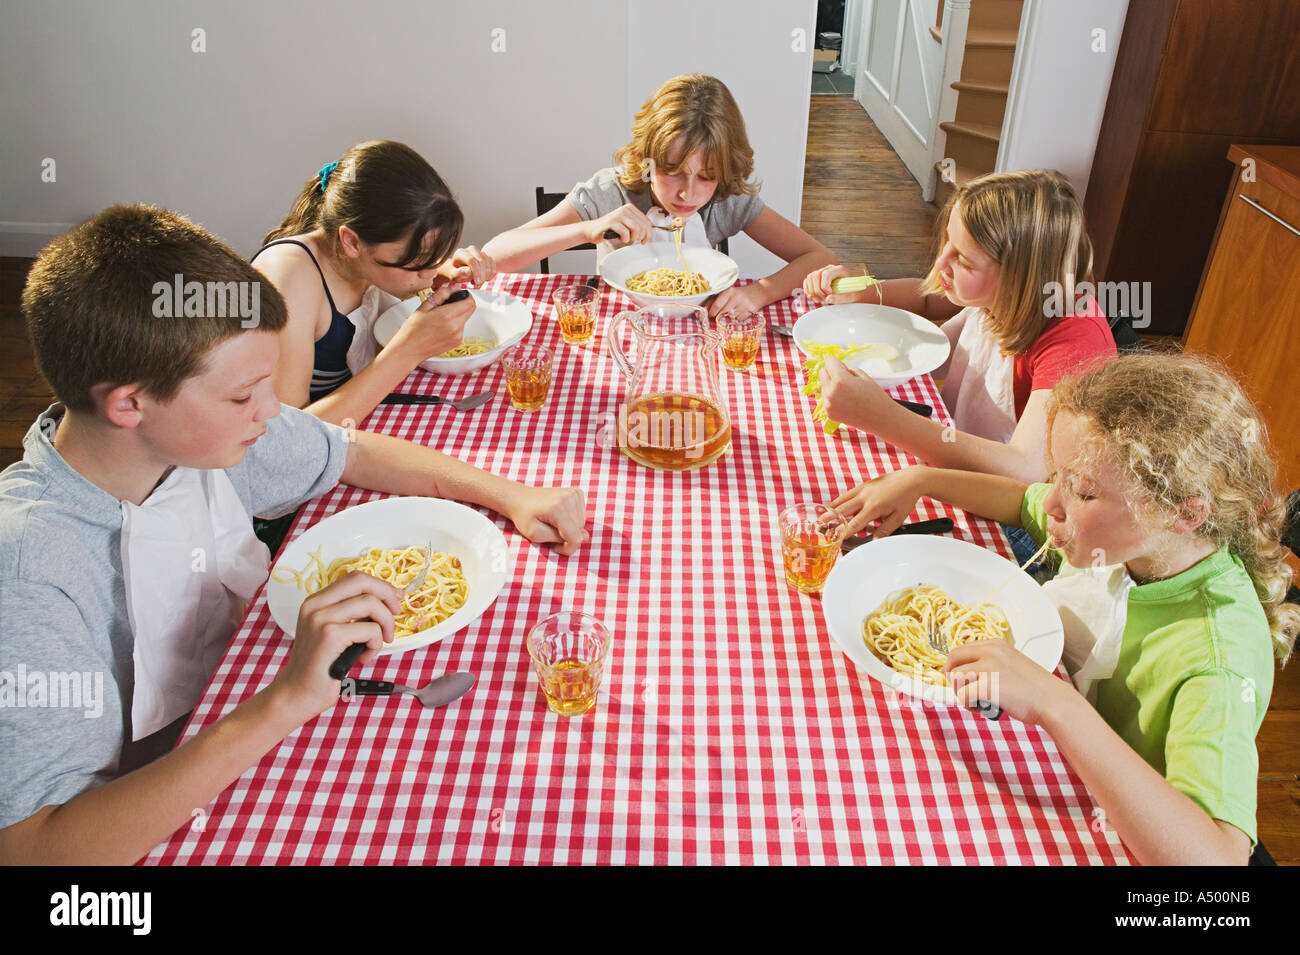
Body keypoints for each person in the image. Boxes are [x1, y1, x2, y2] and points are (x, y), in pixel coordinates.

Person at [0, 204, 587, 864]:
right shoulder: (29, 570)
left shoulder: (195, 434)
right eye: (243, 394)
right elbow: (33, 849)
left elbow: (349, 448)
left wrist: (507, 493)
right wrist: (286, 699)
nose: (272, 409)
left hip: (256, 696)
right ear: (128, 403)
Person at [833, 352, 1298, 864]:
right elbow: (1019, 500)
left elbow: (1216, 862)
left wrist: (1056, 705)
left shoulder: (1218, 656)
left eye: (1080, 491)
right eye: (1059, 476)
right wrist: (922, 480)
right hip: (1048, 755)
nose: (1053, 503)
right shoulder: (1132, 537)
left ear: (1184, 512)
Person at [803, 169, 1116, 484]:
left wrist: (881, 417)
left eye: (964, 261)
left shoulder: (1075, 339)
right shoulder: (1002, 294)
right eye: (948, 241)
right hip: (968, 465)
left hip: (1034, 514)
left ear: (1018, 276)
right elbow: (927, 300)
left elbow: (1025, 470)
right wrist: (860, 290)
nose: (941, 262)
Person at [483, 73, 835, 319]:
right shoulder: (611, 192)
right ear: (647, 159)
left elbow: (818, 258)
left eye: (707, 177)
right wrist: (586, 230)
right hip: (619, 331)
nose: (687, 193)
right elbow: (494, 256)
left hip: (699, 329)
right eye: (671, 170)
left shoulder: (727, 201)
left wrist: (760, 292)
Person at [253, 140, 497, 426]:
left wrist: (443, 266)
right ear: (352, 242)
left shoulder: (365, 257)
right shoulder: (288, 278)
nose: (429, 275)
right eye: (417, 261)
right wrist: (407, 351)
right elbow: (285, 438)